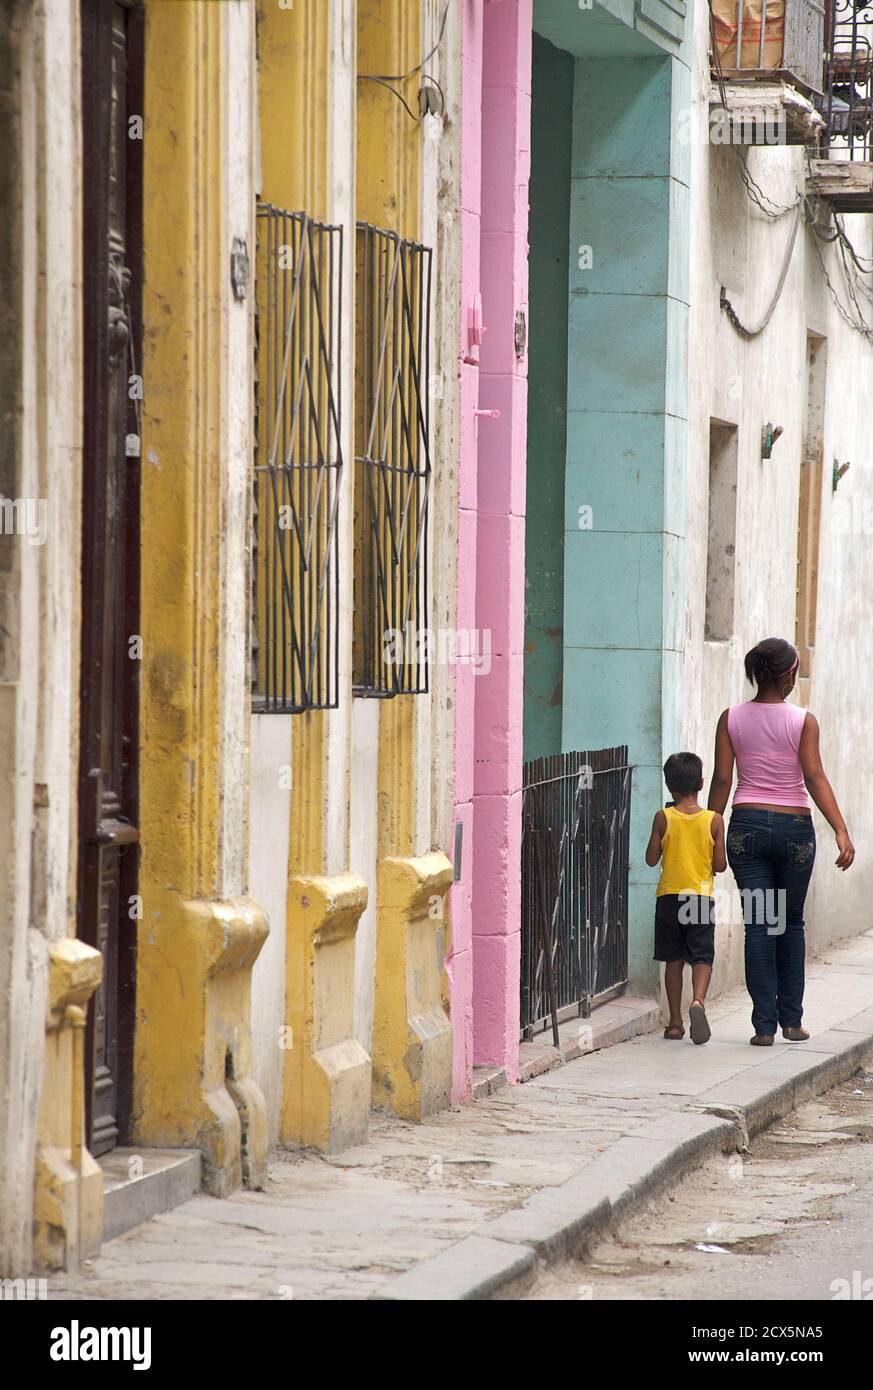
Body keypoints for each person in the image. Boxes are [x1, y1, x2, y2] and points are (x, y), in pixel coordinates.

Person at [707, 637, 855, 1047]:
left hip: (746, 830)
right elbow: (814, 777)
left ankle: (763, 1027)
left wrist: (710, 828)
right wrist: (840, 828)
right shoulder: (803, 721)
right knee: (789, 922)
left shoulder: (730, 718)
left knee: (760, 924)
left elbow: (722, 780)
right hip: (794, 833)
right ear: (789, 674)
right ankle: (792, 1021)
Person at [646, 752, 727, 1044]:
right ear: (702, 783)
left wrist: (663, 833)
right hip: (700, 898)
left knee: (673, 959)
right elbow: (720, 866)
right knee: (702, 956)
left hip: (669, 898)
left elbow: (651, 859)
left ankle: (676, 1023)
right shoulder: (714, 821)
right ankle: (699, 1002)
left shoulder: (663, 817)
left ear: (670, 786)